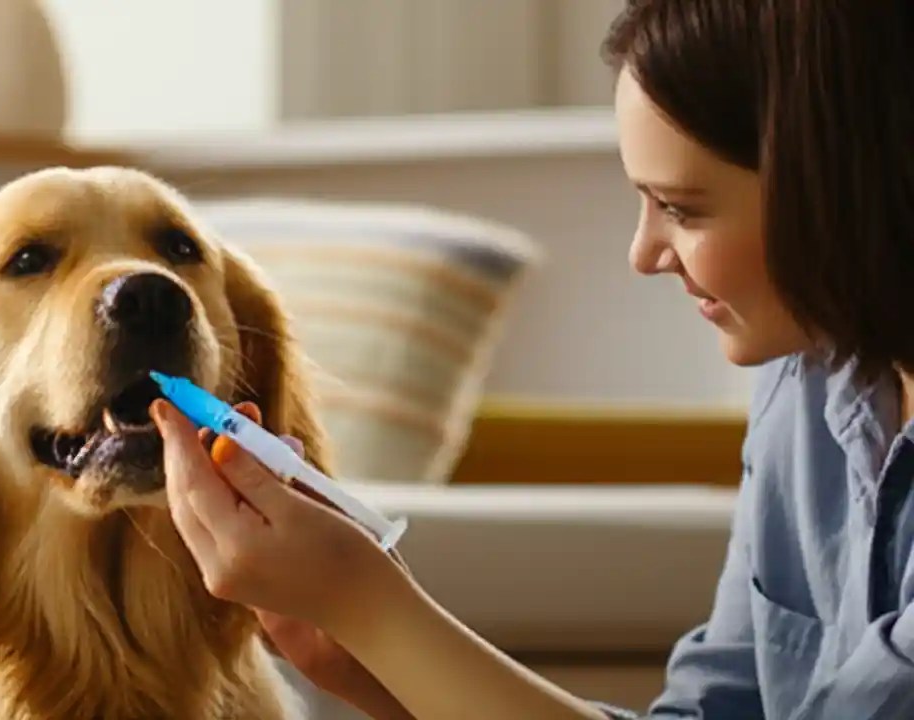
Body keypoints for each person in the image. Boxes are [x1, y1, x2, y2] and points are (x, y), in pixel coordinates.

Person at [147, 0, 914, 717]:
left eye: (682, 208)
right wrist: (386, 674)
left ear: (847, 183)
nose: (644, 253)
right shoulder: (804, 388)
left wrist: (370, 604)